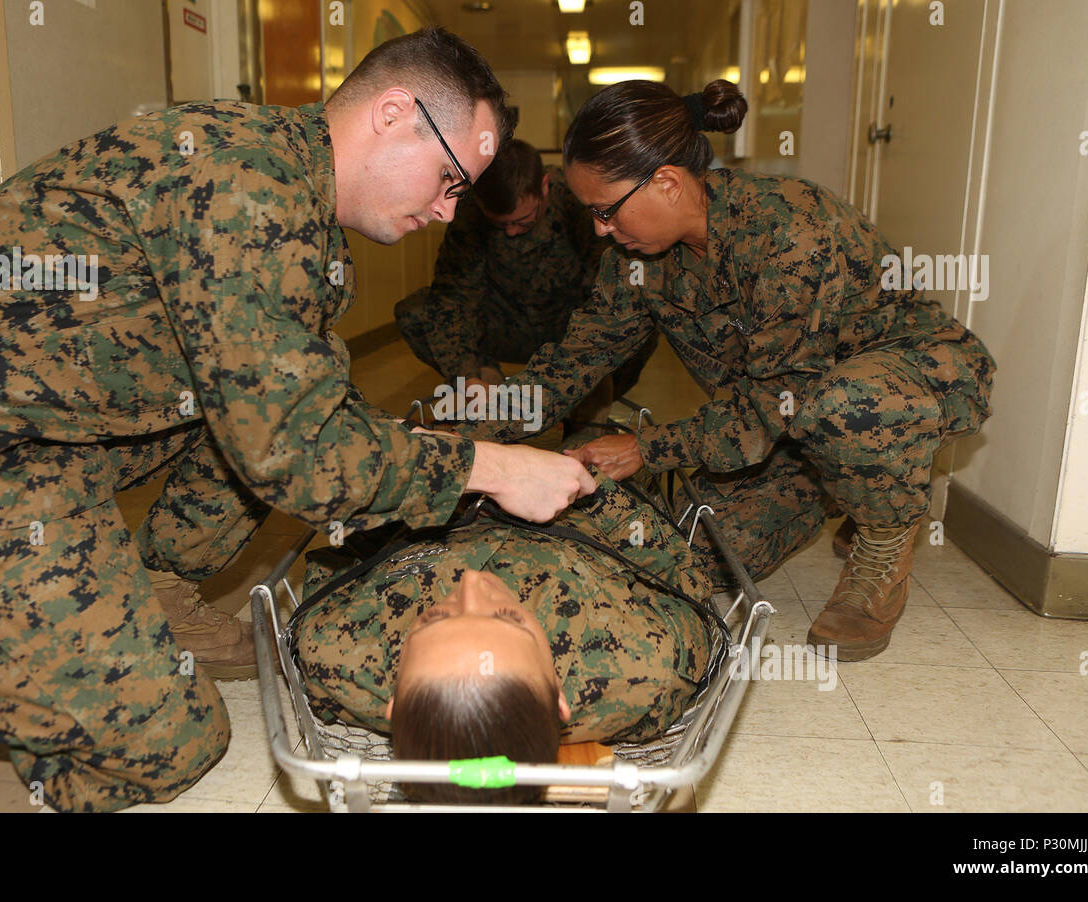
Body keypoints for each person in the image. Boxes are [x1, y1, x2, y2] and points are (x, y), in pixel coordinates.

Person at [0, 26, 595, 812]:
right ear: (394, 113)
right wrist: (494, 467)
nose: (445, 212)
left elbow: (298, 408)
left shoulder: (290, 193)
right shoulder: (247, 187)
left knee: (277, 400)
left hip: (39, 436)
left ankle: (140, 591)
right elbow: (294, 450)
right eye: (447, 179)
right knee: (171, 745)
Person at [456, 79, 996, 663]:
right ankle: (840, 487)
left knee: (844, 407)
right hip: (785, 426)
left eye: (606, 211)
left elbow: (779, 400)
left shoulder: (790, 228)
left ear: (665, 182)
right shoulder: (637, 263)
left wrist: (648, 448)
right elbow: (571, 362)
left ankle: (885, 537)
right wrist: (463, 444)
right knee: (695, 551)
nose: (598, 230)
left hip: (901, 381)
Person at [294, 471, 724, 804]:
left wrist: (431, 476)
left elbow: (337, 559)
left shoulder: (336, 654)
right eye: (508, 618)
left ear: (393, 704)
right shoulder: (645, 666)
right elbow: (683, 580)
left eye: (433, 619)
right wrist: (596, 491)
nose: (472, 585)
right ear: (560, 701)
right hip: (569, 510)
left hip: (438, 506)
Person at [394, 139, 657, 429]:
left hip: (568, 330)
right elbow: (454, 297)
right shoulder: (471, 210)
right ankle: (488, 394)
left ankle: (582, 411)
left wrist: (587, 371)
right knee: (417, 312)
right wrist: (467, 375)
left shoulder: (576, 201)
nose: (511, 232)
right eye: (500, 224)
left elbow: (607, 293)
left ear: (543, 187)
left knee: (642, 316)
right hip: (502, 327)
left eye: (522, 221)